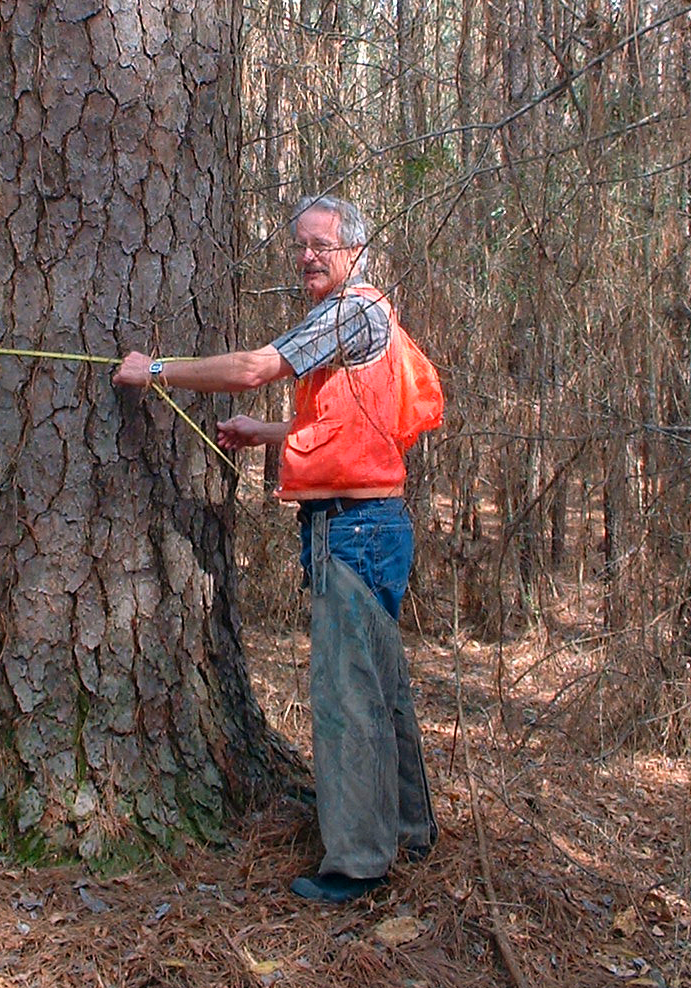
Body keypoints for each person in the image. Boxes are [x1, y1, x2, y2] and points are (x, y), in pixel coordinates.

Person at [113, 194, 440, 904]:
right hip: (371, 522)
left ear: (354, 249)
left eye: (321, 244)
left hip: (355, 529)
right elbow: (348, 423)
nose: (307, 257)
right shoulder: (368, 315)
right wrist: (267, 434)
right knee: (380, 690)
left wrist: (157, 370)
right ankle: (410, 829)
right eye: (300, 246)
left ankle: (356, 865)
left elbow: (256, 366)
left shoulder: (350, 311)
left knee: (348, 698)